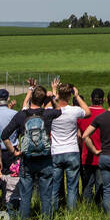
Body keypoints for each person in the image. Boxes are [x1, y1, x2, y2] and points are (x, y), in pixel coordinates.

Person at [0, 85, 62, 220]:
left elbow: (4, 135)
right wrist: (53, 97)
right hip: (45, 159)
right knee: (46, 194)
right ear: (43, 100)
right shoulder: (47, 114)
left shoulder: (21, 115)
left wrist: (14, 152)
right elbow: (59, 110)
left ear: (31, 98)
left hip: (27, 159)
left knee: (25, 194)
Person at [46, 81, 89, 211]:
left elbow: (49, 106)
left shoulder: (51, 111)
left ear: (59, 95)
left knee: (54, 186)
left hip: (56, 151)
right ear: (70, 96)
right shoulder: (74, 111)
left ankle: (53, 211)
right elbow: (87, 112)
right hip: (72, 150)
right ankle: (71, 212)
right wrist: (77, 96)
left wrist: (54, 93)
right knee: (72, 187)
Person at [78, 88, 106, 206]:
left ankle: (87, 207)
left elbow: (79, 136)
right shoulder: (106, 114)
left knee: (87, 185)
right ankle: (99, 206)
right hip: (102, 154)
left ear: (91, 99)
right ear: (103, 100)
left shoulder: (83, 115)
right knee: (100, 184)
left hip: (86, 154)